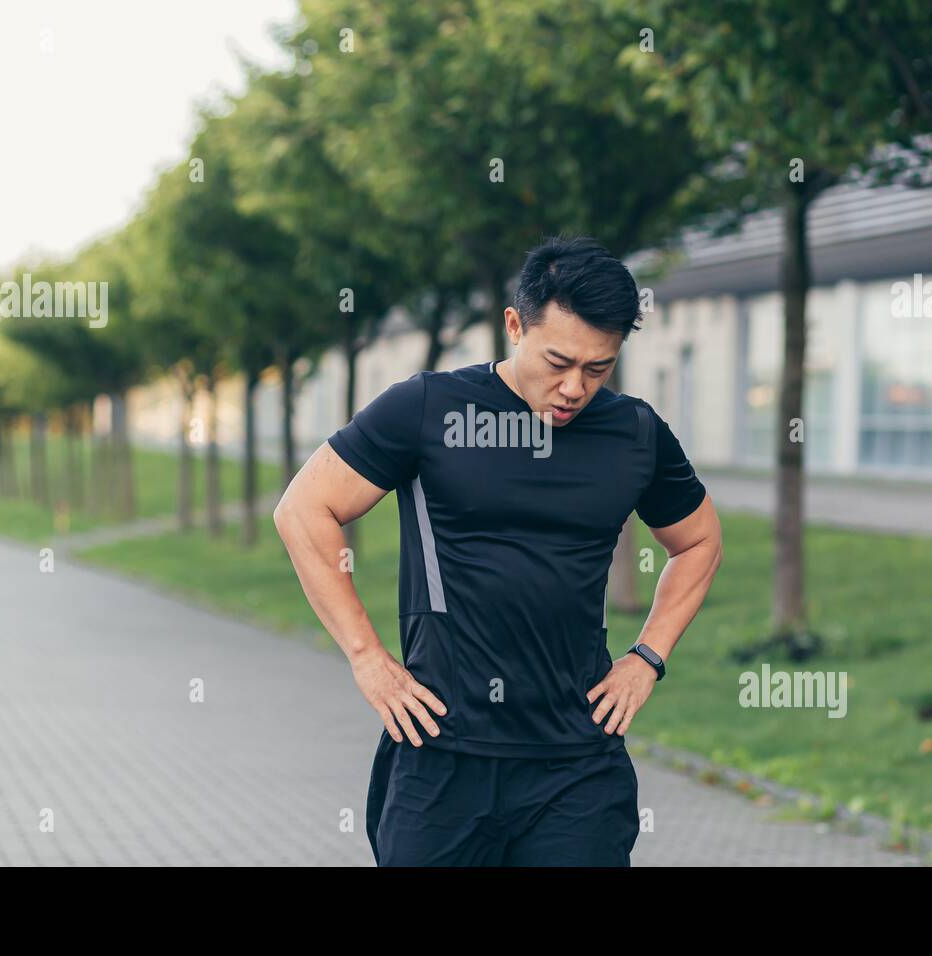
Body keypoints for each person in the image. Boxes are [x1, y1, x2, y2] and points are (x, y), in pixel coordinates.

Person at [274, 236, 722, 866]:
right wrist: (366, 656)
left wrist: (647, 657)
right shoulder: (428, 408)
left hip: (577, 763)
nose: (573, 388)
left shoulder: (635, 433)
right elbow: (303, 509)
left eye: (598, 369)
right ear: (514, 325)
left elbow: (698, 541)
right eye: (558, 361)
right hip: (442, 756)